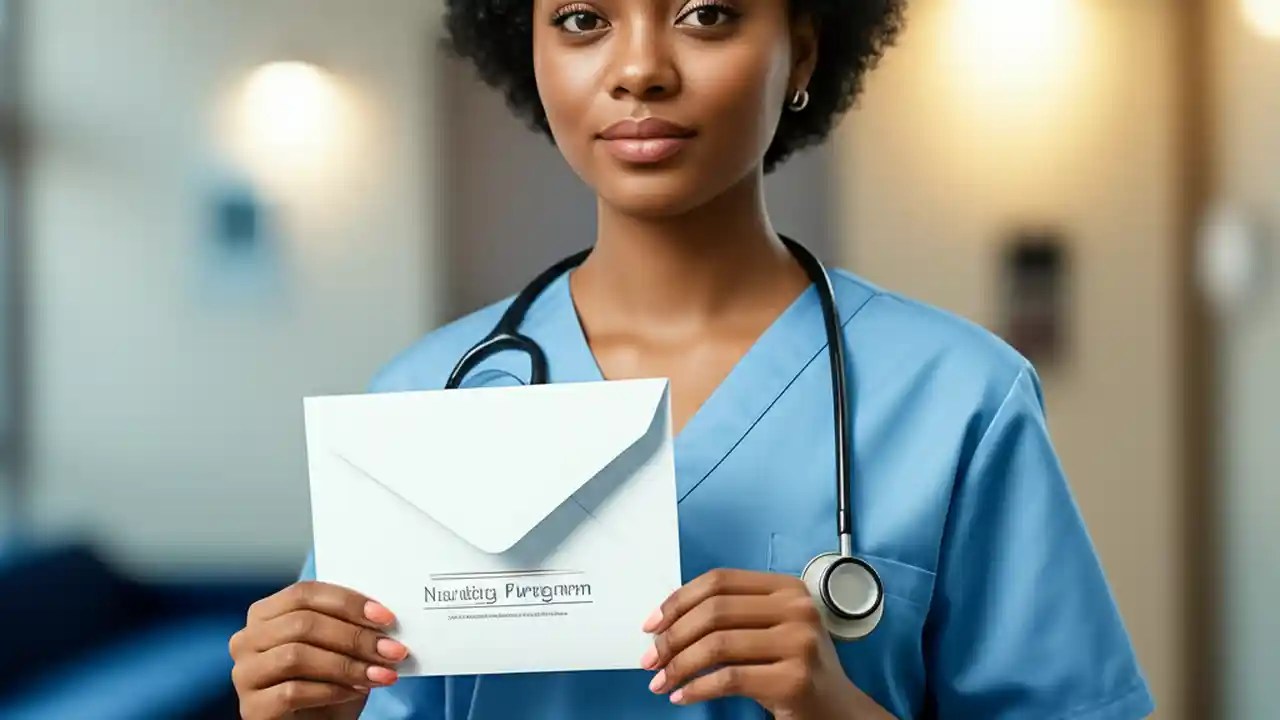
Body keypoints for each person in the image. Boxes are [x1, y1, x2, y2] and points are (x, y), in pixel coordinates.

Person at [229, 1, 1156, 718]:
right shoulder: (426, 398)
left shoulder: (959, 400)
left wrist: (835, 707)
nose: (640, 69)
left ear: (803, 50)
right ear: (529, 47)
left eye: (706, 14)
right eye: (582, 20)